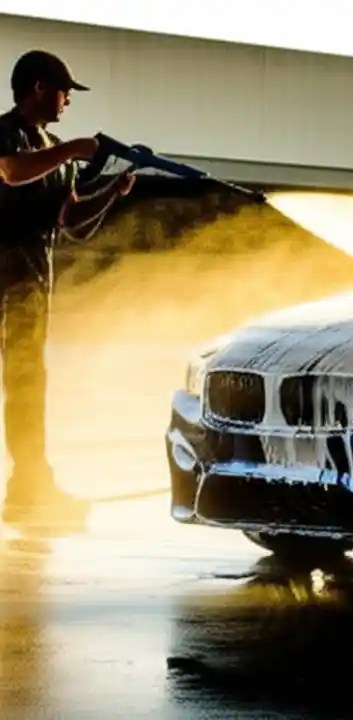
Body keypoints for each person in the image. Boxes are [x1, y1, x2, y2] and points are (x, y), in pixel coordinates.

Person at [0, 49, 135, 526]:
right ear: (38, 88)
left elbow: (70, 222)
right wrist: (73, 149)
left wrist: (110, 194)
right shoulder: (6, 133)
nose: (67, 102)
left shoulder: (59, 153)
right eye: (63, 91)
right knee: (24, 383)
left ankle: (29, 486)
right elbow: (12, 172)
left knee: (27, 382)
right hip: (6, 275)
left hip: (31, 284)